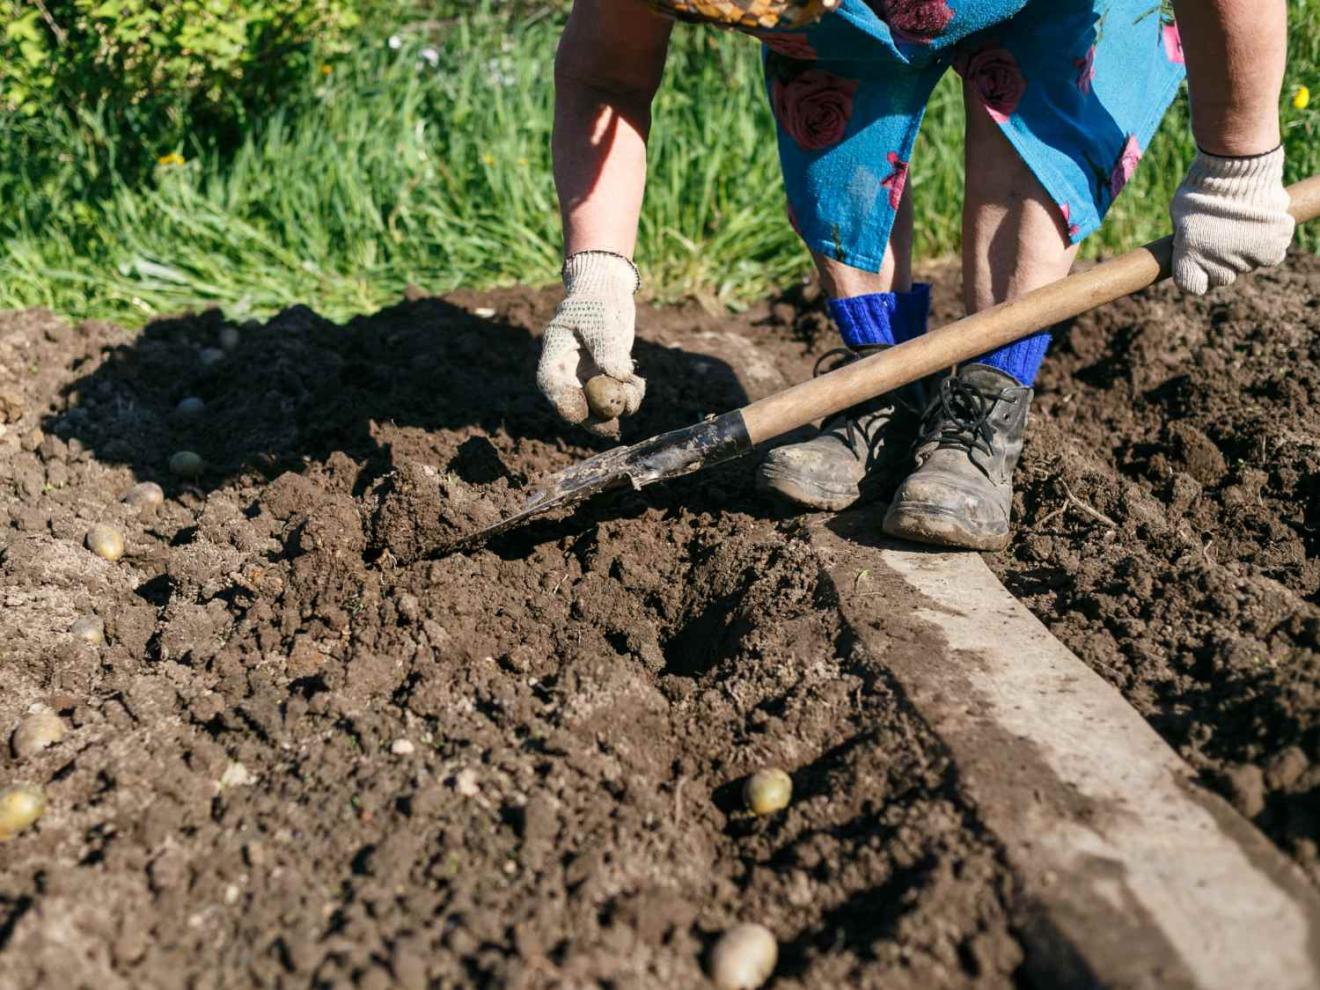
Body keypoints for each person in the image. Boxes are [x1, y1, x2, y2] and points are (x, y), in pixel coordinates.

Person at [537, 0, 1294, 550]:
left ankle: (985, 409)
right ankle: (879, 385)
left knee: (1042, 127)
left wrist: (1237, 160)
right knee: (830, 119)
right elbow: (608, 76)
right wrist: (598, 272)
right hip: (850, 19)